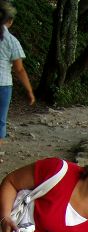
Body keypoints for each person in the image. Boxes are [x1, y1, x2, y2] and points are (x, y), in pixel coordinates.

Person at [0, 1, 35, 142]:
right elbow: (19, 69)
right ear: (10, 21)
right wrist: (29, 91)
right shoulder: (11, 41)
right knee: (0, 120)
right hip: (3, 86)